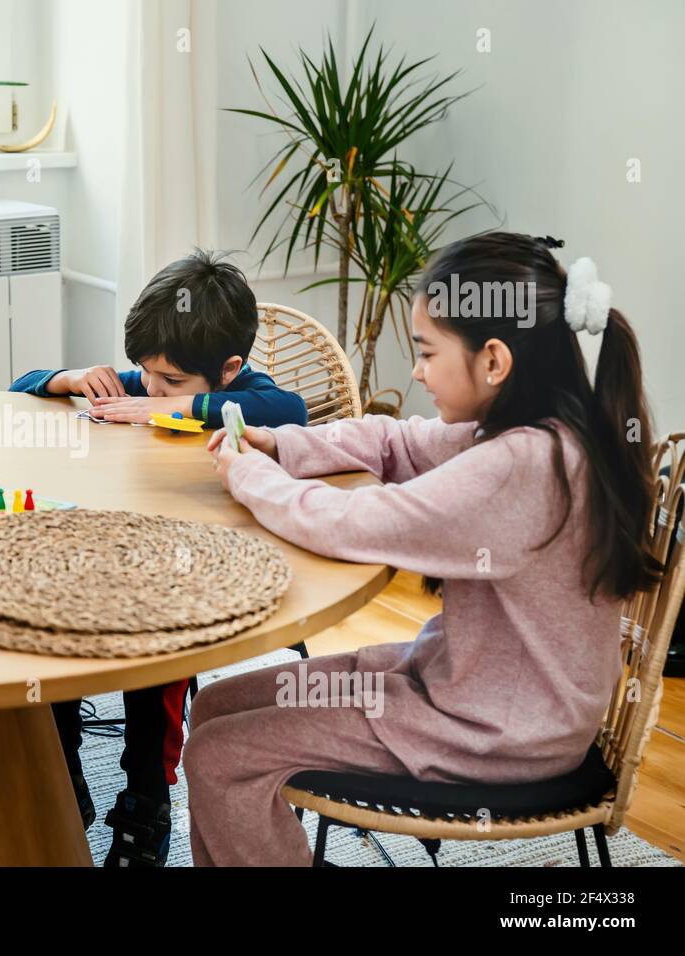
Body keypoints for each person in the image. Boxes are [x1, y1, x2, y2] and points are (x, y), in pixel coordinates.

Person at [186, 232, 661, 865]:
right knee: (217, 704)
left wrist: (250, 477)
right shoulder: (532, 430)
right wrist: (282, 446)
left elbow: (353, 523)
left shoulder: (523, 464)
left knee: (220, 757)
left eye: (428, 352)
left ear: (493, 361)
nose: (415, 371)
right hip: (470, 686)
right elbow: (397, 443)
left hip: (497, 732)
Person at [11, 249, 307, 866]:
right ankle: (65, 782)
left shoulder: (248, 395)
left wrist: (177, 409)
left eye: (170, 382)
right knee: (54, 635)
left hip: (196, 575)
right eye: (145, 375)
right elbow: (16, 391)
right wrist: (64, 380)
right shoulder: (150, 382)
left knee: (157, 669)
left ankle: (147, 799)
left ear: (228, 372)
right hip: (111, 558)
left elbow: (291, 413)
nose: (150, 390)